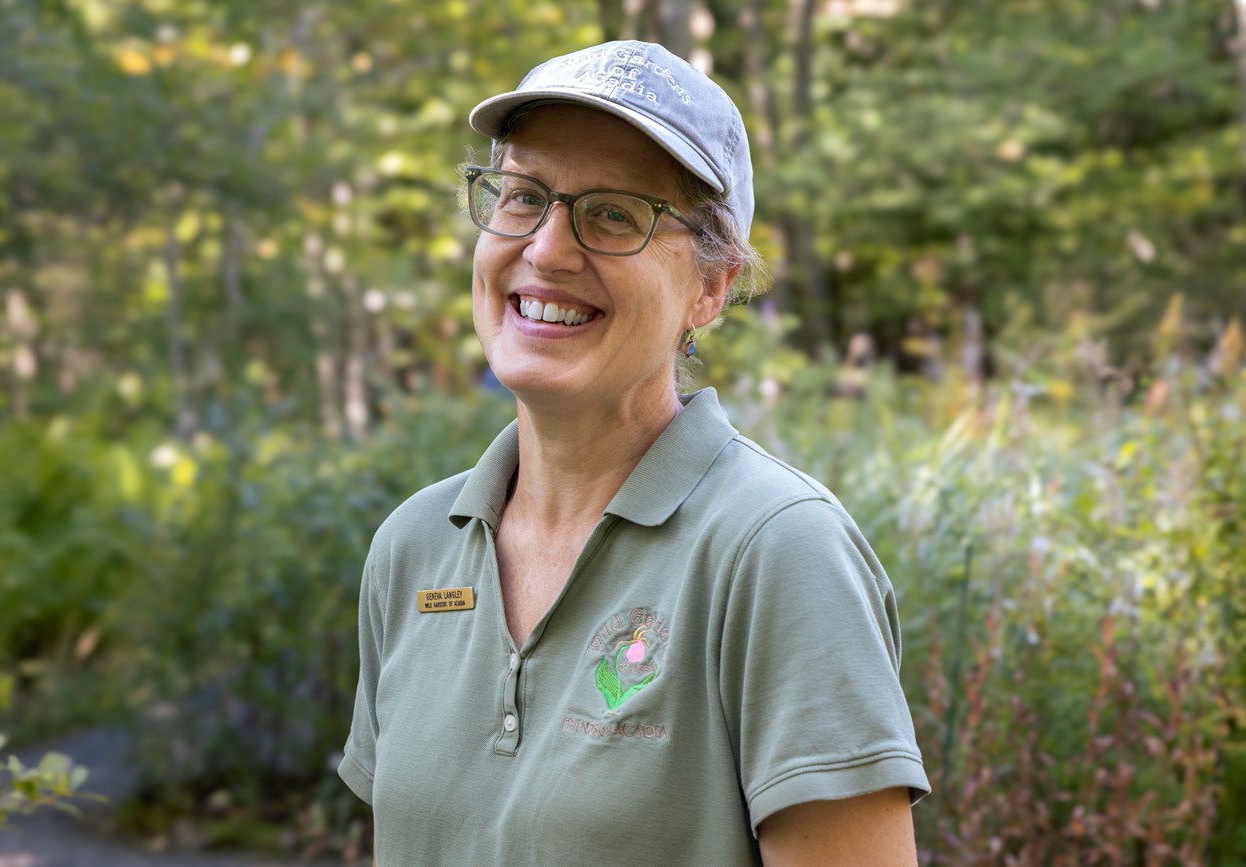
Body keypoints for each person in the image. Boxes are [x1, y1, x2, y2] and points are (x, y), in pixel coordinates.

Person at [339, 40, 929, 865]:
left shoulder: (777, 551)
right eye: (522, 197)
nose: (546, 249)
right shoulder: (414, 547)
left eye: (614, 213)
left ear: (712, 287)